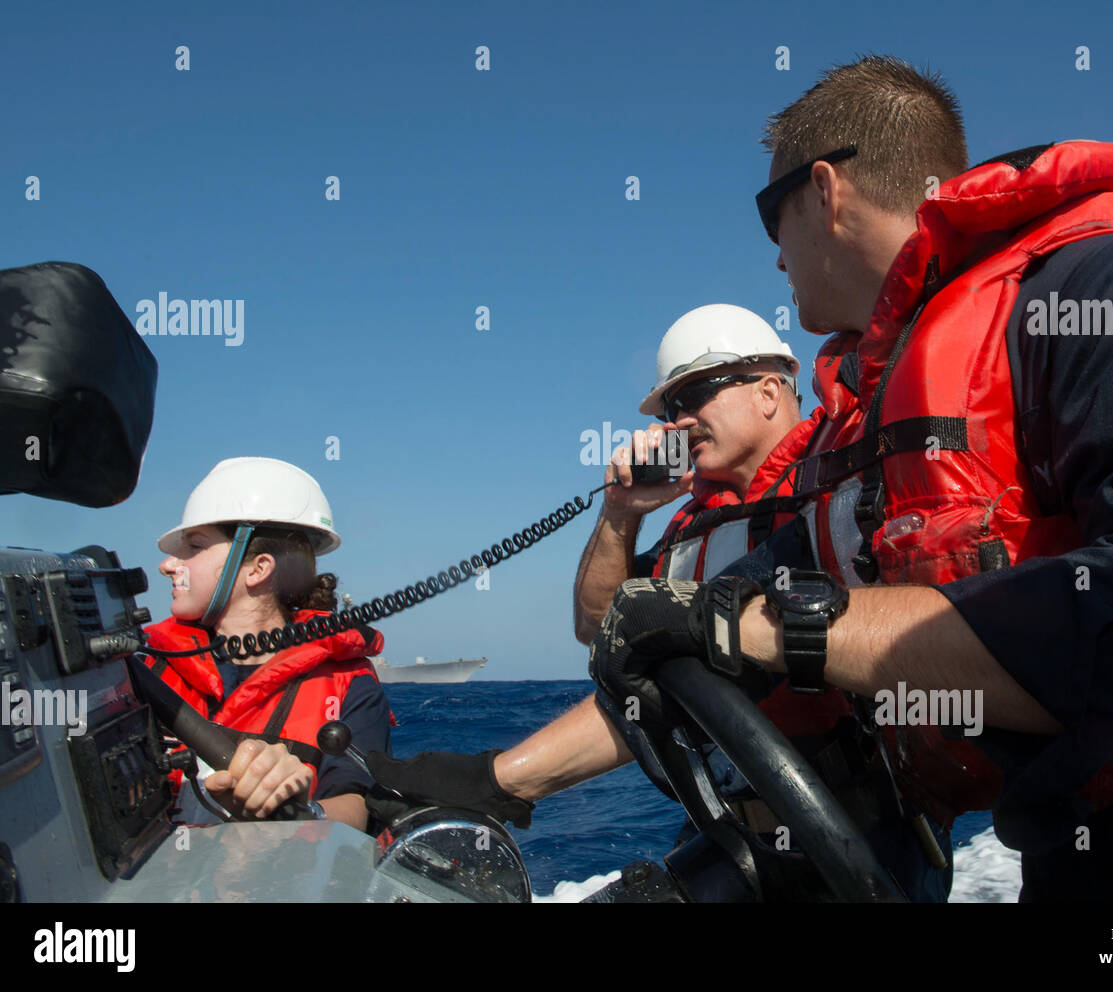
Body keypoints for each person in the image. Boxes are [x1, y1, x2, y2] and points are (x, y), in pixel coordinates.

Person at [589, 56, 1113, 901]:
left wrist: (765, 629)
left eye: (771, 220)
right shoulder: (883, 419)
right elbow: (699, 618)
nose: (774, 261)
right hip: (1069, 856)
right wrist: (501, 778)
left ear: (823, 192)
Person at [368, 305, 868, 846]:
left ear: (769, 392)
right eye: (670, 408)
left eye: (696, 395)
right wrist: (620, 511)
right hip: (725, 830)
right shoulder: (692, 525)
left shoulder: (848, 473)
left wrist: (498, 778)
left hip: (856, 832)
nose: (677, 422)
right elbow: (598, 626)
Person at [145, 456, 393, 832]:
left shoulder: (350, 679)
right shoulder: (143, 664)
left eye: (193, 547)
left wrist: (300, 810)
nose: (166, 565)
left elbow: (359, 806)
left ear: (258, 569)